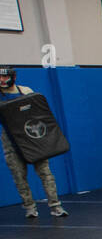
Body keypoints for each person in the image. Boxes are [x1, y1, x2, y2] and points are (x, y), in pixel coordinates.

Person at [0, 66, 67, 218]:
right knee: (18, 175)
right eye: (0, 77)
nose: (2, 80)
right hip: (10, 140)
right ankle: (30, 208)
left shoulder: (25, 91)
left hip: (32, 136)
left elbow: (40, 114)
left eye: (5, 77)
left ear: (13, 77)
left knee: (45, 173)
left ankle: (56, 206)